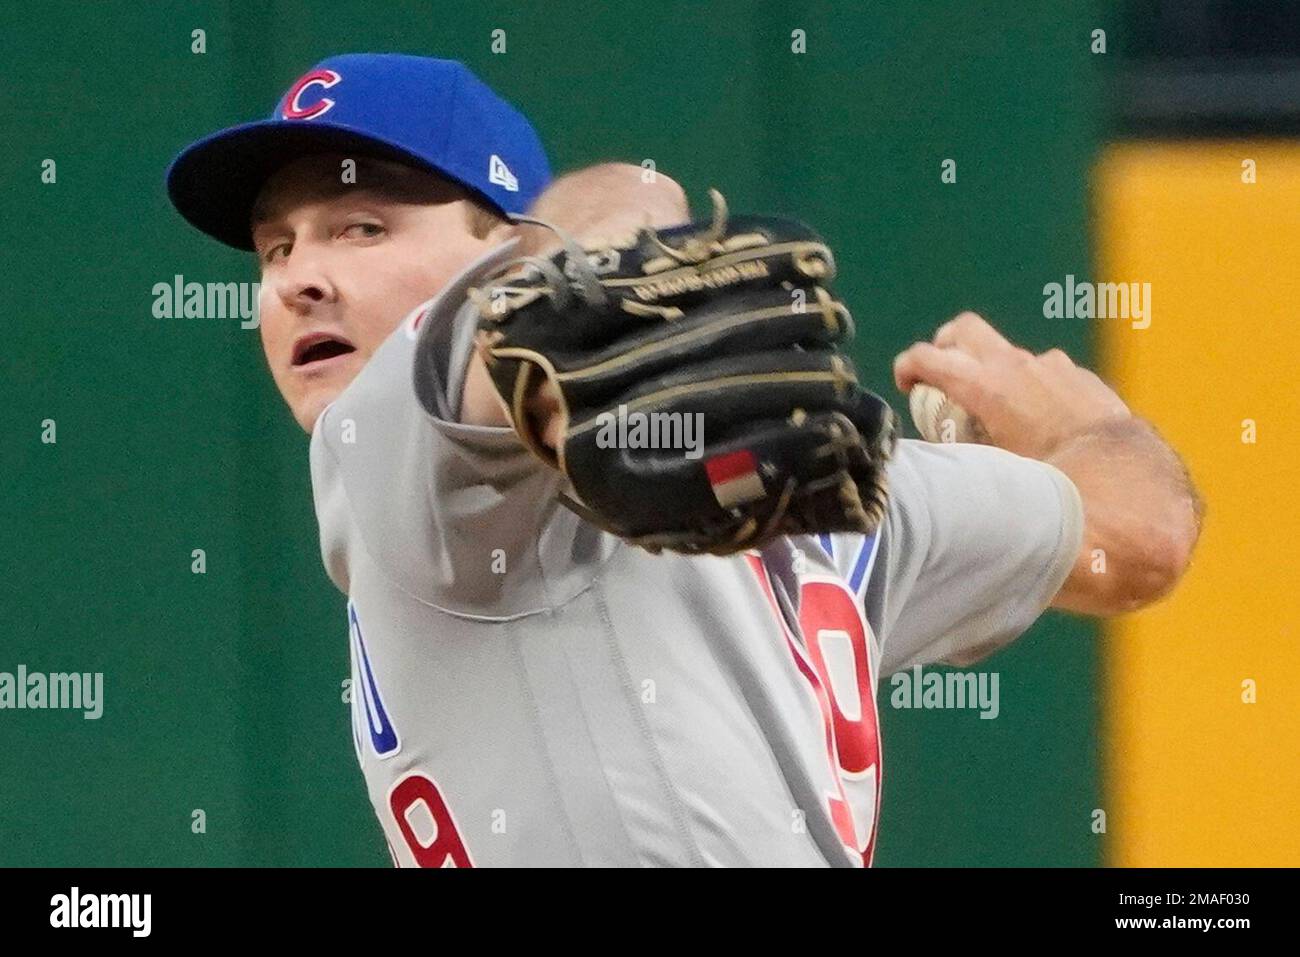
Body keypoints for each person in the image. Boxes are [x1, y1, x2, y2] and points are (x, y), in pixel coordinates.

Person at [167, 53, 1202, 867]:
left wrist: (1090, 438)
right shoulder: (405, 448)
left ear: (506, 242)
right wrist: (1083, 437)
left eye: (361, 226)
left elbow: (1139, 544)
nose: (301, 279)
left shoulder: (815, 487)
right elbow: (1140, 534)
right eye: (276, 249)